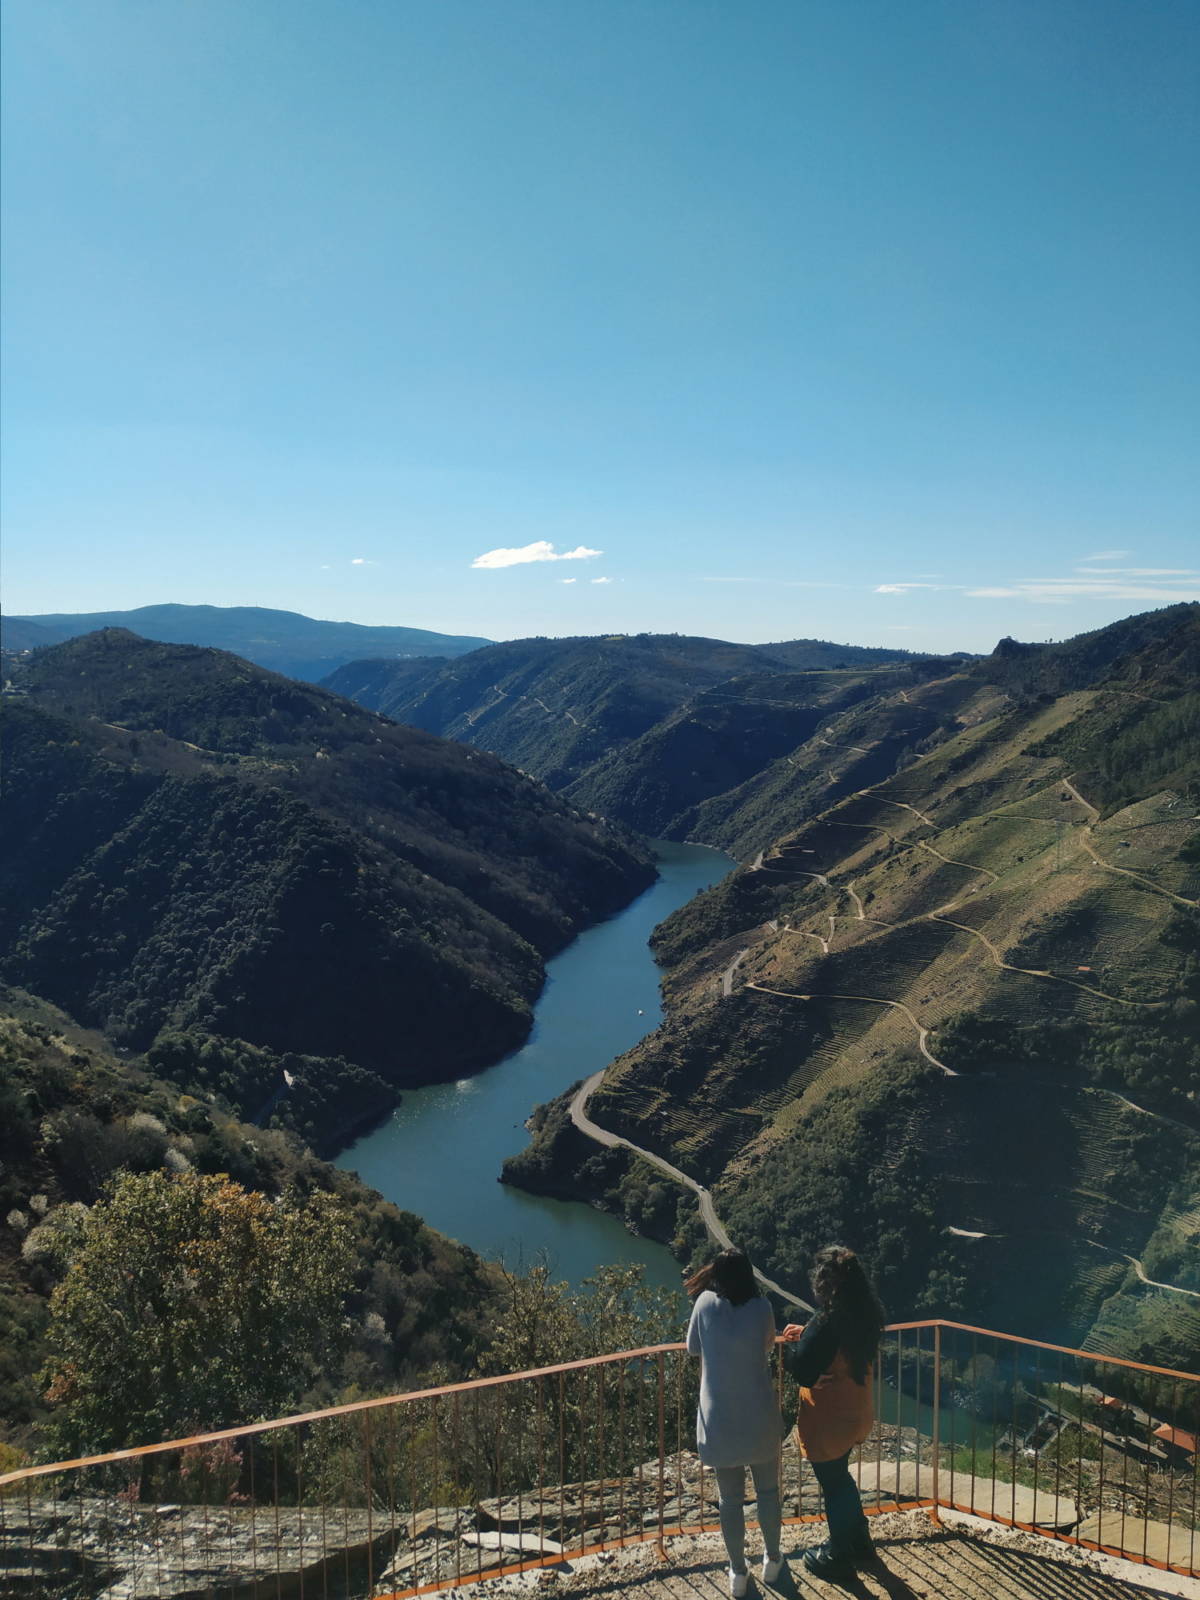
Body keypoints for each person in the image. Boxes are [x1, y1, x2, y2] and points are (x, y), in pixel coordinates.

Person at [781, 1244, 884, 1580]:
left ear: (827, 1281)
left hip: (830, 1419)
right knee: (842, 1478)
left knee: (834, 1484)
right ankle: (860, 1541)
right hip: (858, 1409)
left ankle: (837, 1554)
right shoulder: (866, 1313)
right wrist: (806, 1334)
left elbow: (804, 1370)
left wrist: (792, 1349)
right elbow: (825, 1344)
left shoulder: (828, 1321)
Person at [685, 1249, 785, 1597]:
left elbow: (693, 1348)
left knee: (730, 1500)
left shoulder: (704, 1303)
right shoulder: (762, 1308)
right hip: (758, 1413)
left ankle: (738, 1573)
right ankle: (773, 1561)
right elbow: (769, 1346)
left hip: (719, 1418)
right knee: (768, 1492)